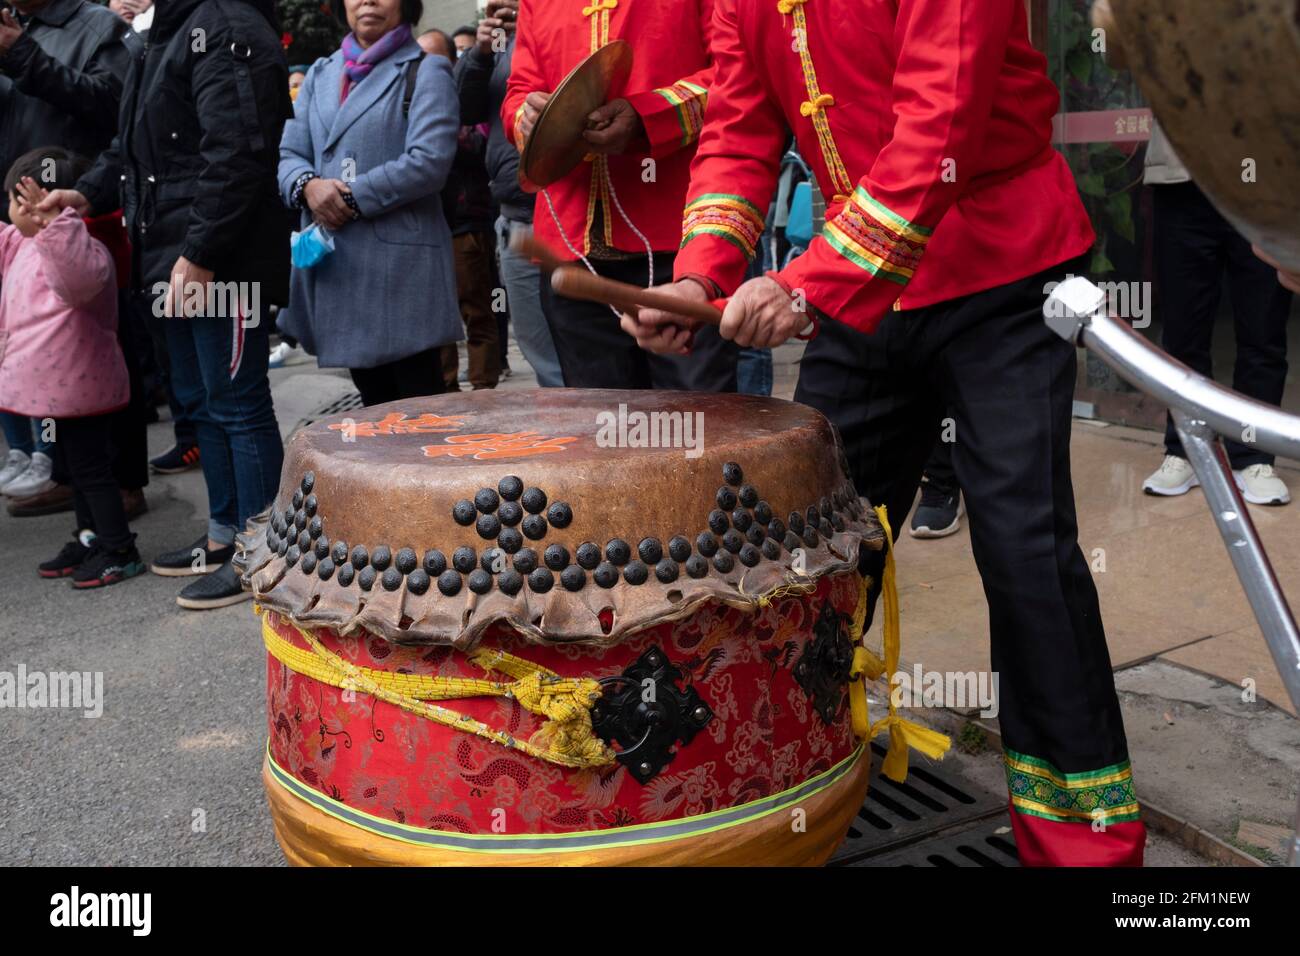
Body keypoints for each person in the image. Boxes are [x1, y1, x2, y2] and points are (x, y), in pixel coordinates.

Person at [624, 0, 1144, 866]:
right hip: (862, 293)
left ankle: (1087, 845)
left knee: (1026, 556)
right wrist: (699, 273)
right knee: (804, 545)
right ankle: (775, 797)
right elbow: (740, 128)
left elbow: (937, 134)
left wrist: (804, 283)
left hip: (1001, 277)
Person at [39, 0, 293, 610]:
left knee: (238, 404)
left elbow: (236, 152)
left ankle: (266, 556)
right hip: (176, 255)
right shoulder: (171, 31)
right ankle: (227, 535)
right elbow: (135, 148)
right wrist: (85, 191)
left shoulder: (227, 22)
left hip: (220, 259)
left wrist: (202, 252)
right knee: (206, 406)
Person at [502, 0, 737, 391]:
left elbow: (732, 75)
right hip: (573, 251)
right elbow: (519, 92)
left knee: (700, 429)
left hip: (681, 243)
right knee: (600, 431)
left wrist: (647, 117)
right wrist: (528, 118)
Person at [277, 0, 461, 407]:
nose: (369, 1)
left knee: (419, 411)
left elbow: (429, 161)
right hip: (339, 267)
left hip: (402, 273)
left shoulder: (426, 69)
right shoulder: (322, 74)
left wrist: (347, 198)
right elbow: (289, 153)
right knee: (372, 407)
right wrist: (307, 186)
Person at [0, 0, 136, 515]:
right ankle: (69, 477)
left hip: (77, 214)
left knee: (98, 350)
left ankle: (119, 485)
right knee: (43, 356)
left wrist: (22, 55)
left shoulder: (99, 27)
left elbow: (113, 107)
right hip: (22, 223)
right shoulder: (20, 26)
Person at [1, 149, 144, 588]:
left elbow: (77, 282)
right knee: (71, 472)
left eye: (17, 203)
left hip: (82, 390)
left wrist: (55, 227)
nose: (11, 213)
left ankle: (118, 548)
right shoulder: (20, 245)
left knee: (92, 471)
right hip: (51, 394)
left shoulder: (79, 247)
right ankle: (89, 538)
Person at [1141, 122, 1292, 505]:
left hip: (1264, 177)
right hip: (1182, 175)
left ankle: (1254, 457)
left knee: (1263, 329)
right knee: (1182, 333)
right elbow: (1122, 60)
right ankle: (1185, 451)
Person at [419, 27, 499, 392]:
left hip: (466, 223)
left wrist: (438, 127)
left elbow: (482, 145)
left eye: (435, 59)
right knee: (435, 316)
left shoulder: (467, 95)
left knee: (477, 311)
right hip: (426, 226)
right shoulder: (414, 97)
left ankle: (484, 391)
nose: (425, 67)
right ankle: (446, 392)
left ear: (452, 62)